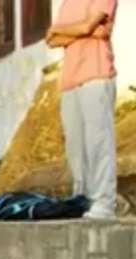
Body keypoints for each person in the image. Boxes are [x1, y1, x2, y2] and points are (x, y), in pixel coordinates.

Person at [47, 0, 119, 219]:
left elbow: (86, 27)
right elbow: (51, 39)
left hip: (97, 73)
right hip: (70, 80)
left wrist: (64, 30)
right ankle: (82, 200)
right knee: (75, 147)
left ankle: (104, 203)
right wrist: (83, 30)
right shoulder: (67, 3)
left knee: (98, 142)